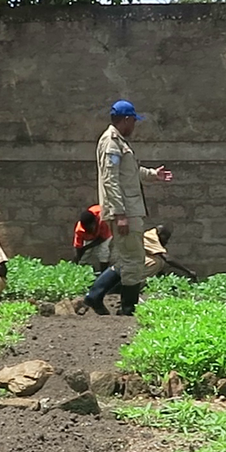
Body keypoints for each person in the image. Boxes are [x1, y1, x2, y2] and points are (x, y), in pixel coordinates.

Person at [75, 99, 173, 316]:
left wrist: (153, 175)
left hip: (129, 210)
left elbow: (130, 173)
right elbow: (110, 180)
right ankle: (128, 309)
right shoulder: (111, 143)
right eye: (134, 121)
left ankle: (94, 296)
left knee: (126, 259)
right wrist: (120, 214)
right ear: (126, 120)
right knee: (135, 261)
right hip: (125, 211)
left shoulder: (119, 143)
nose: (135, 126)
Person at [76, 225, 196, 316]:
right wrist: (188, 271)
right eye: (166, 238)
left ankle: (97, 296)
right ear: (159, 233)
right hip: (120, 251)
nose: (167, 241)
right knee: (153, 263)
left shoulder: (150, 236)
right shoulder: (151, 237)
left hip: (121, 254)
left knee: (142, 264)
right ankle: (123, 304)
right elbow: (167, 258)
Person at [73, 205, 112, 273]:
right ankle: (81, 273)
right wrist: (77, 258)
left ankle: (104, 273)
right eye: (86, 229)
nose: (88, 230)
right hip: (90, 237)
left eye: (89, 228)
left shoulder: (102, 219)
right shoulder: (79, 230)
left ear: (95, 222)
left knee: (103, 252)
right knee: (84, 257)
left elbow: (103, 237)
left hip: (104, 235)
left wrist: (86, 247)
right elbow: (78, 246)